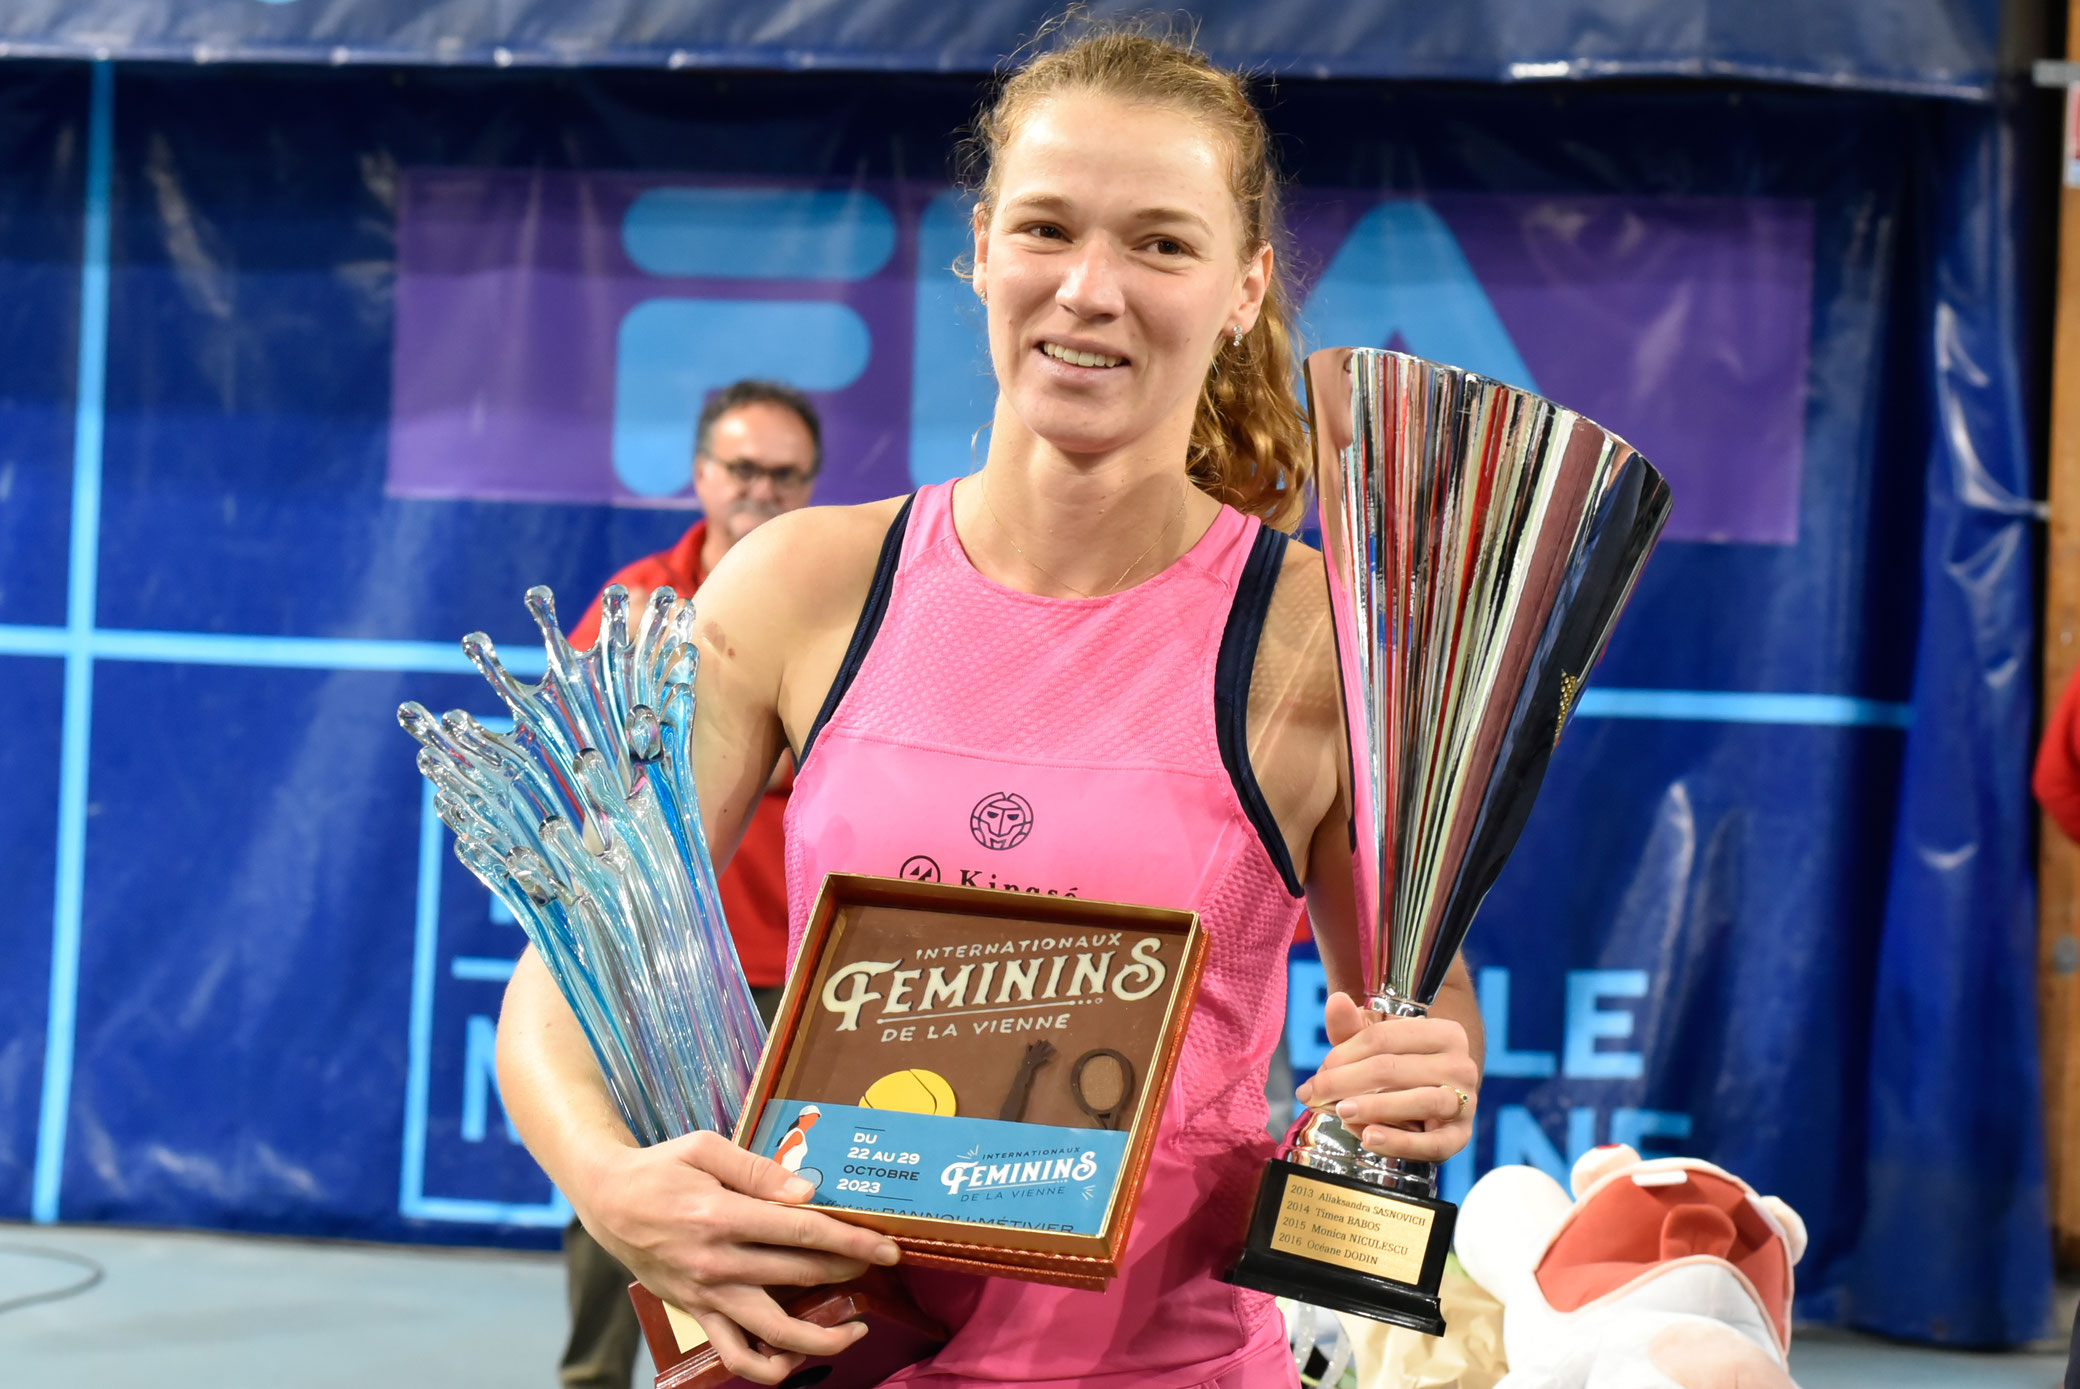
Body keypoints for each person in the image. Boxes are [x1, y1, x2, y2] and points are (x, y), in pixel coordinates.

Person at [500, 25, 1486, 1387]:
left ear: (1245, 285)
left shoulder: (1323, 642)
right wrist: (612, 1184)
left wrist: (1429, 1074)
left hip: (1171, 1365)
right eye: (1046, 228)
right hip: (825, 1356)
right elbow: (564, 976)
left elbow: (1416, 999)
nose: (1090, 290)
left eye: (1160, 243)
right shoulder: (802, 585)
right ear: (978, 247)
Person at [557, 378, 823, 1389]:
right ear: (704, 474)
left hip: (797, 977)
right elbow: (590, 778)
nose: (761, 488)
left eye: (783, 474)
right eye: (743, 468)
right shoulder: (627, 608)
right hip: (653, 977)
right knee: (619, 1201)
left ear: (811, 483)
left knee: (782, 1211)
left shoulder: (836, 608)